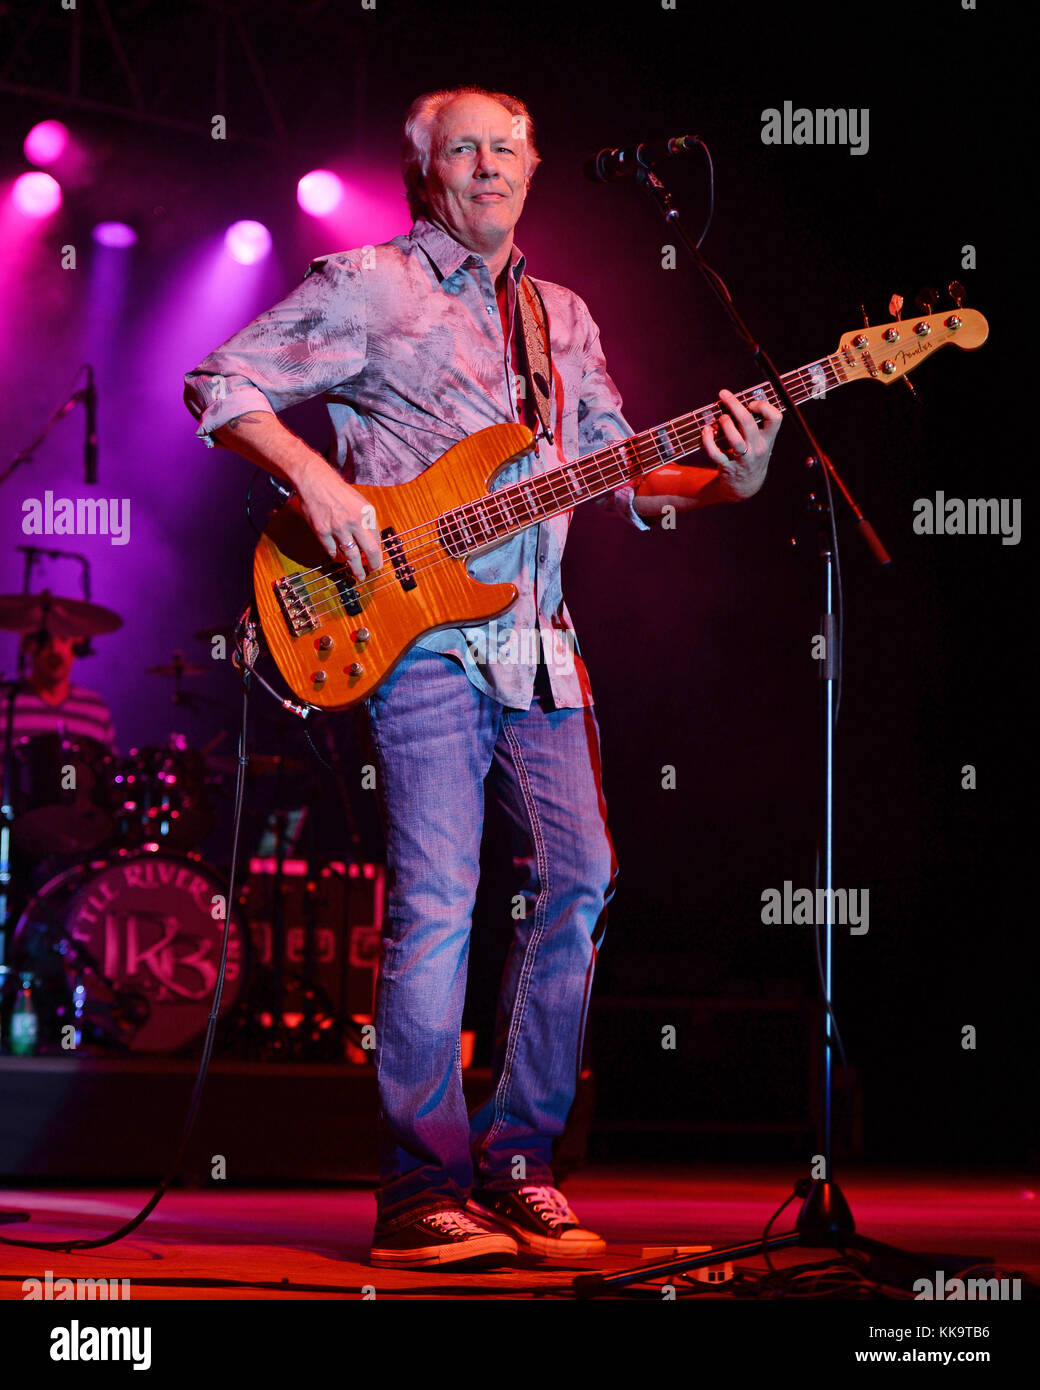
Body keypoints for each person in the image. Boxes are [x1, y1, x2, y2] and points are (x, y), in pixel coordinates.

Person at [184, 86, 781, 1269]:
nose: (487, 165)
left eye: (506, 147)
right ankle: (417, 1187)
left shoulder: (562, 315)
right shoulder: (370, 283)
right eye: (462, 147)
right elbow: (221, 386)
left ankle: (519, 1162)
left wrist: (738, 476)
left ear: (534, 165)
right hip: (408, 633)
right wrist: (320, 479)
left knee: (581, 880)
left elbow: (621, 476)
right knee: (439, 899)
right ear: (425, 171)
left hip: (539, 643)